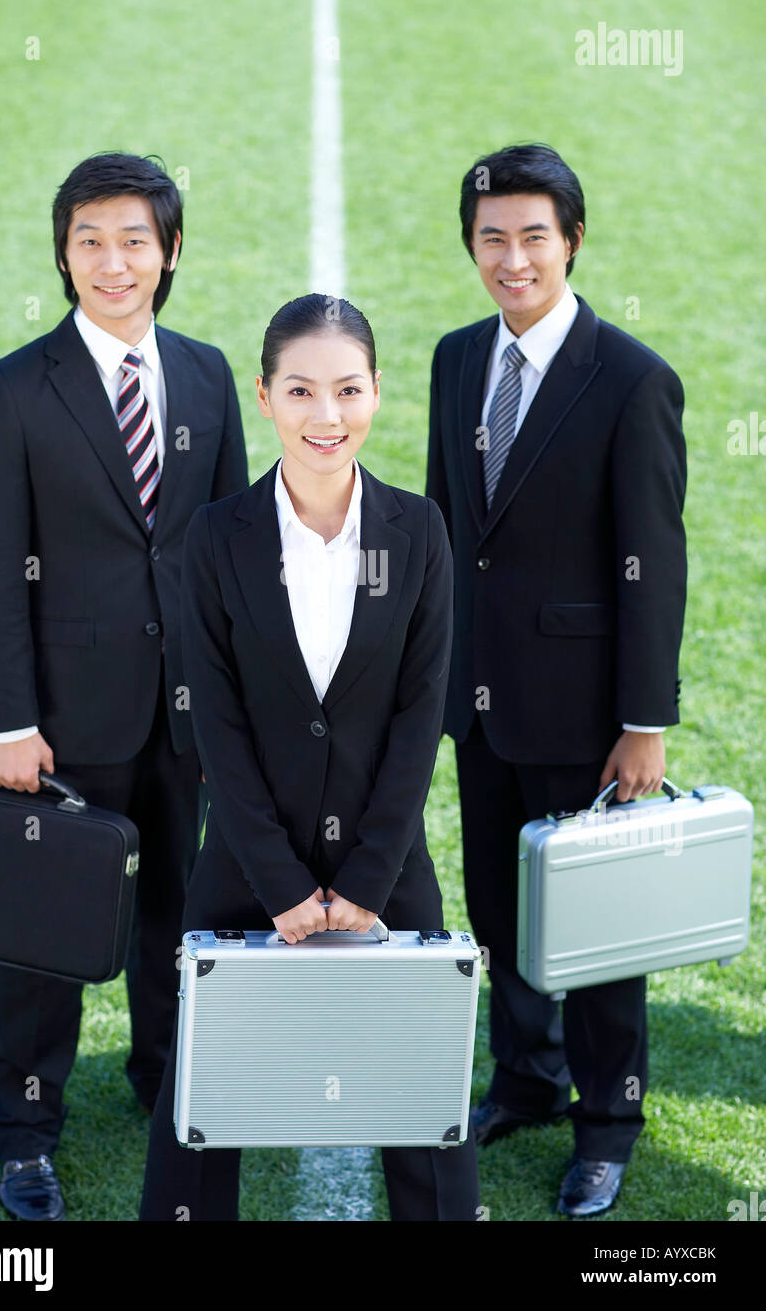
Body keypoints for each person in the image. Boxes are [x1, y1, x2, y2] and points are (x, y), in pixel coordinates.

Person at [139, 293, 480, 1221]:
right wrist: (282, 884)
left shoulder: (421, 532)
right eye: (301, 390)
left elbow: (420, 719)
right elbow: (219, 725)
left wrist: (367, 879)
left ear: (376, 393)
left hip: (386, 857)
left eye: (347, 389)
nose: (325, 416)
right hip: (247, 859)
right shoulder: (215, 538)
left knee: (422, 1089)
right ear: (264, 397)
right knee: (203, 1098)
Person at [0, 152, 248, 1220]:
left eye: (135, 240)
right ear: (63, 253)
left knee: (180, 913)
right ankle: (25, 1129)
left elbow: (226, 557)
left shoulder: (211, 375)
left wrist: (229, 706)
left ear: (171, 251)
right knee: (44, 935)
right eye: (90, 241)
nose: (113, 262)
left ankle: (166, 1079)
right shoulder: (13, 390)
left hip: (183, 717)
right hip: (63, 727)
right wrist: (11, 723)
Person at [426, 143, 686, 1216]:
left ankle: (609, 1120)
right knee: (500, 911)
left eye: (535, 234)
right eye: (493, 236)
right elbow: (449, 528)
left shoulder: (632, 379)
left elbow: (654, 564)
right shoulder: (453, 359)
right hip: (479, 703)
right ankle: (526, 1081)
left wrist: (645, 724)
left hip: (585, 716)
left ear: (573, 239)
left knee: (598, 932)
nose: (514, 256)